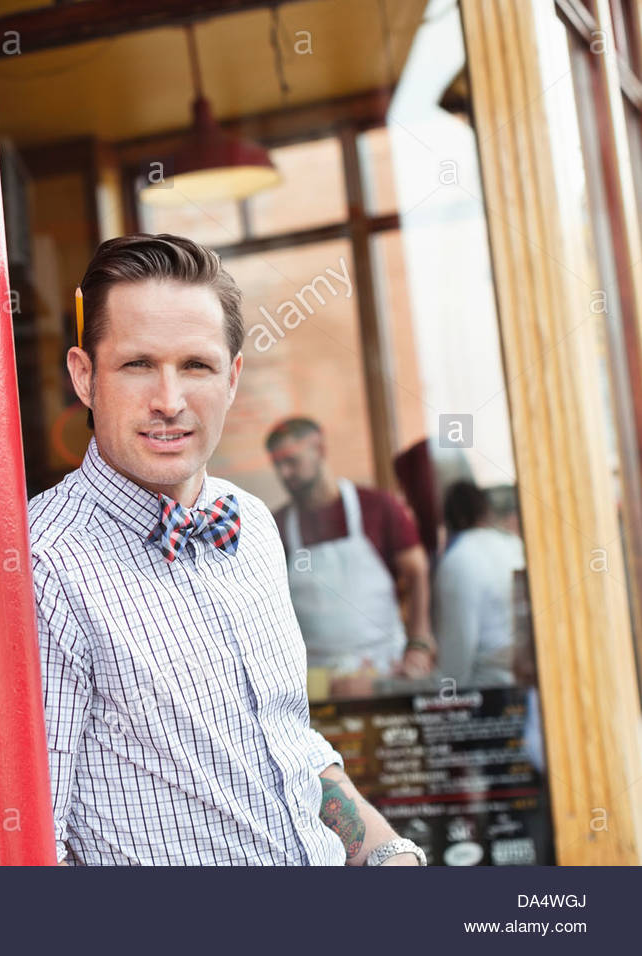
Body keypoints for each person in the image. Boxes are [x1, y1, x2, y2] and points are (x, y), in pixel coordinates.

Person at [29, 233, 425, 866]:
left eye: (196, 365)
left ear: (233, 377)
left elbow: (289, 743)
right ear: (85, 376)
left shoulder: (254, 524)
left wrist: (388, 856)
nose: (169, 400)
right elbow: (27, 850)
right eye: (137, 364)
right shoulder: (43, 566)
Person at [265, 419, 435, 691]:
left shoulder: (378, 507)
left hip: (385, 669)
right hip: (316, 681)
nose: (285, 473)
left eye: (291, 461)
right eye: (277, 465)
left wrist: (419, 642)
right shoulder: (277, 525)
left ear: (319, 449)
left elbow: (417, 571)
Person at [432, 480, 524, 687]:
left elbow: (460, 647)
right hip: (521, 681)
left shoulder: (458, 560)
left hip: (489, 688)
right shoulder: (512, 545)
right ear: (486, 511)